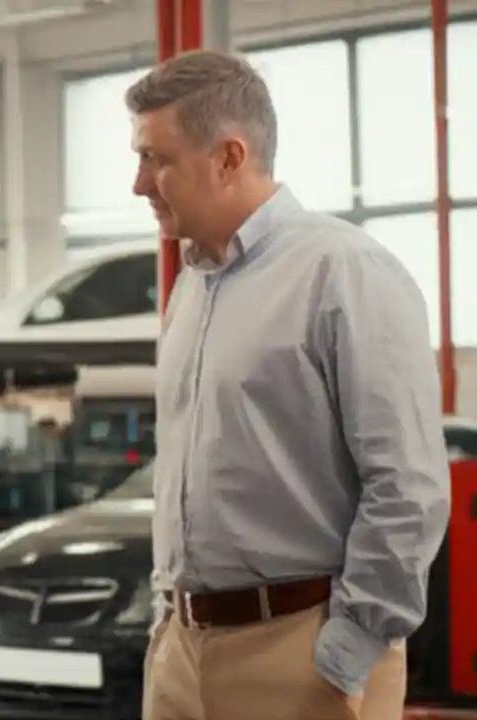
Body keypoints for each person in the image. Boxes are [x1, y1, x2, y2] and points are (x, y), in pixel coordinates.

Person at [128, 50, 451, 720]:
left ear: (228, 157)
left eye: (157, 159)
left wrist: (349, 648)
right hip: (183, 653)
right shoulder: (193, 287)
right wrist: (169, 629)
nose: (139, 184)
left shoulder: (344, 271)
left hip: (302, 654)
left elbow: (407, 484)